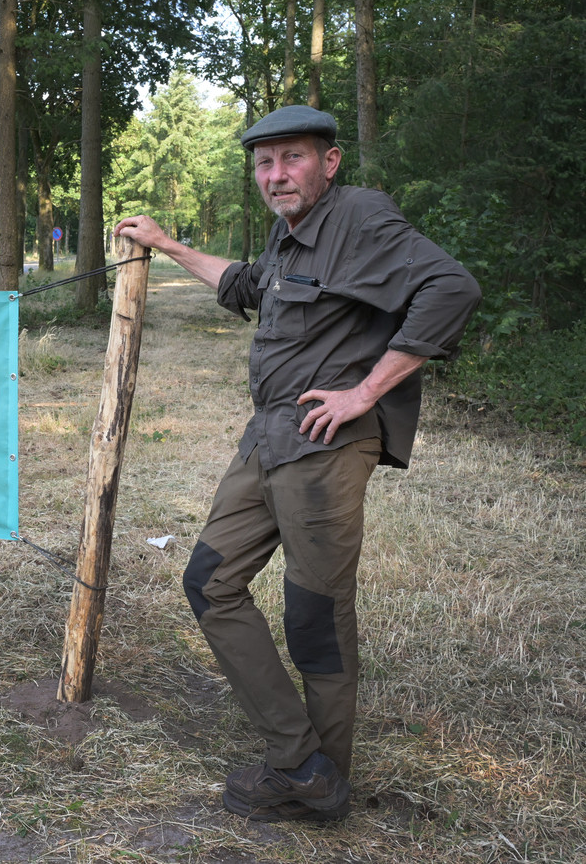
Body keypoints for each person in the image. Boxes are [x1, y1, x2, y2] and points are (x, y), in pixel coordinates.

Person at [113, 105, 481, 823]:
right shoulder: (289, 239)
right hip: (268, 440)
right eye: (264, 163)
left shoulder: (359, 219)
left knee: (313, 615)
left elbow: (453, 289)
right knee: (210, 583)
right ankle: (302, 758)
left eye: (293, 158)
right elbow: (245, 284)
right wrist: (167, 243)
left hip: (325, 448)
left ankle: (320, 781)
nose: (276, 174)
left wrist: (367, 391)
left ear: (330, 161)